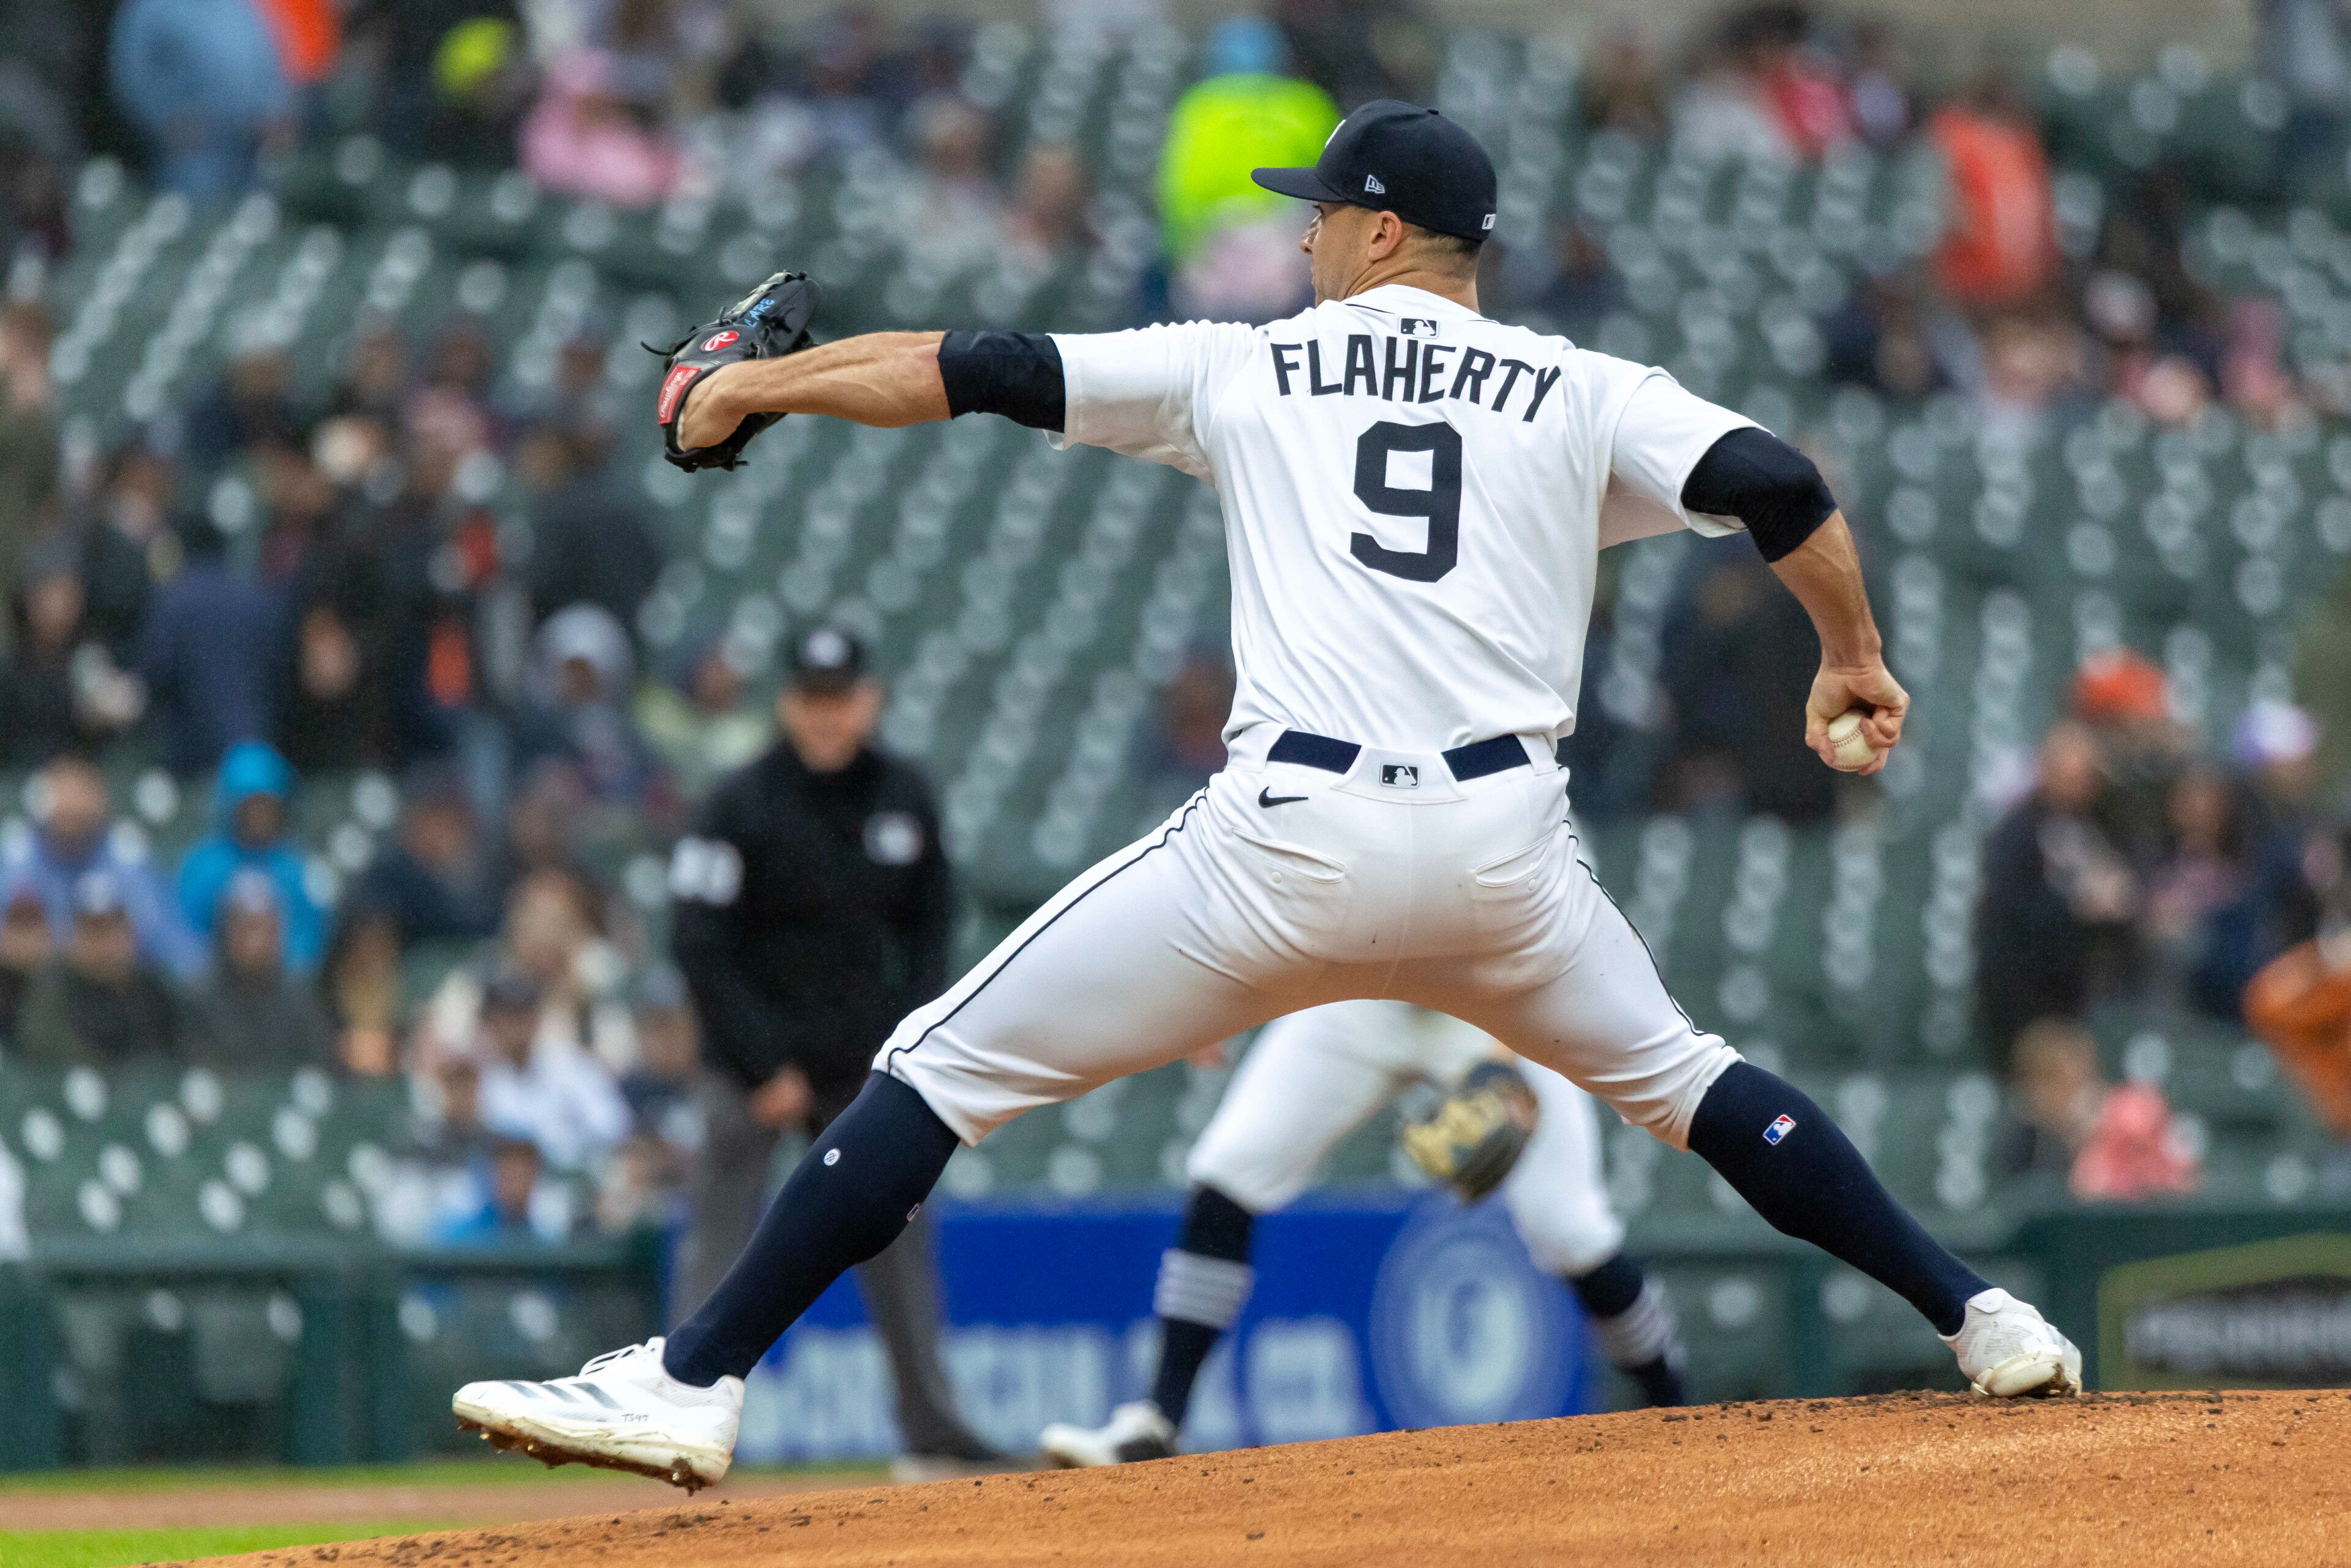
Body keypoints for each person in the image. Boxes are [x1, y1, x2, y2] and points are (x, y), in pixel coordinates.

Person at [457, 100, 2080, 1491]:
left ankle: (690, 1380)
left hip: (1283, 850)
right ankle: (1980, 1317)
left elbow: (970, 367)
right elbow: (1782, 486)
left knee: (939, 1070)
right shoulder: (1581, 387)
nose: (1302, 239)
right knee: (1694, 1082)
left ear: (1383, 235)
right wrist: (1849, 654)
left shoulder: (1249, 368)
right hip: (1500, 858)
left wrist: (751, 389)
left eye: (1322, 216)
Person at [1041, 1000, 1689, 1466]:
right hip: (1363, 996)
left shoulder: (1506, 804)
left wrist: (1504, 1058)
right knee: (1228, 1169)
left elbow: (1542, 909)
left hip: (1497, 1004)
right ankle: (1156, 1421)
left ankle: (1680, 1412)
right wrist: (1211, 1003)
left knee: (1571, 1229)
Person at [664, 625, 1000, 1477]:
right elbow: (700, 941)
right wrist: (760, 1063)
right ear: (787, 703)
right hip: (751, 1064)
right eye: (811, 700)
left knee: (897, 1237)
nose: (825, 716)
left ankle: (931, 1424)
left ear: (868, 701)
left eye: (840, 698)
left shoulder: (904, 795)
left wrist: (909, 1042)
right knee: (722, 1236)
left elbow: (931, 931)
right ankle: (675, 1415)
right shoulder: (740, 801)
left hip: (864, 1061)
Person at [0, 756, 204, 980]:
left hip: (119, 990)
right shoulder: (19, 856)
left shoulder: (124, 857)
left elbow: (182, 953)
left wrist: (128, 945)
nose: (72, 826)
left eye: (80, 818)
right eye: (65, 817)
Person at [176, 740, 328, 975]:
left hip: (281, 991)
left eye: (267, 806)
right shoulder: (204, 866)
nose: (260, 816)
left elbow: (310, 935)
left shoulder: (296, 869)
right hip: (217, 990)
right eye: (251, 806)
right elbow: (186, 934)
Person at [16, 871, 187, 1067]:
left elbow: (181, 1048)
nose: (101, 942)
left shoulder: (152, 988)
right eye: (91, 929)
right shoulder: (52, 988)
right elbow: (43, 1047)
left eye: (110, 927)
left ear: (129, 931)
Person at [187, 870, 337, 1069]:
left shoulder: (302, 1000)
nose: (254, 941)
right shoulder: (200, 1000)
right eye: (245, 927)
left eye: (264, 927)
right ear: (226, 931)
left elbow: (316, 1069)